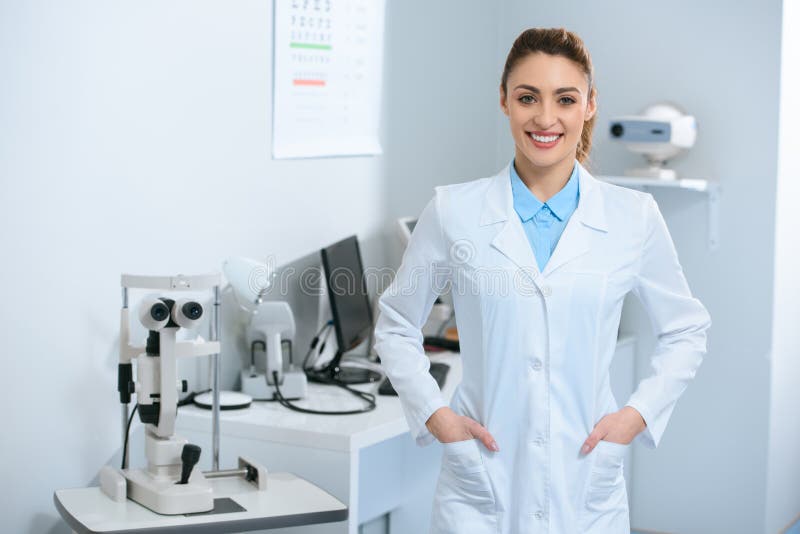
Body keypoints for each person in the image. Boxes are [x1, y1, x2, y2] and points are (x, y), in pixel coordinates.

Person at [373, 27, 711, 534]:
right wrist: (435, 416)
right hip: (481, 485)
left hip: (586, 483)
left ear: (590, 105)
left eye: (565, 99)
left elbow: (687, 329)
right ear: (505, 101)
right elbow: (397, 323)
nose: (545, 118)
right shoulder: (454, 212)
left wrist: (635, 415)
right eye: (528, 97)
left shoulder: (633, 217)